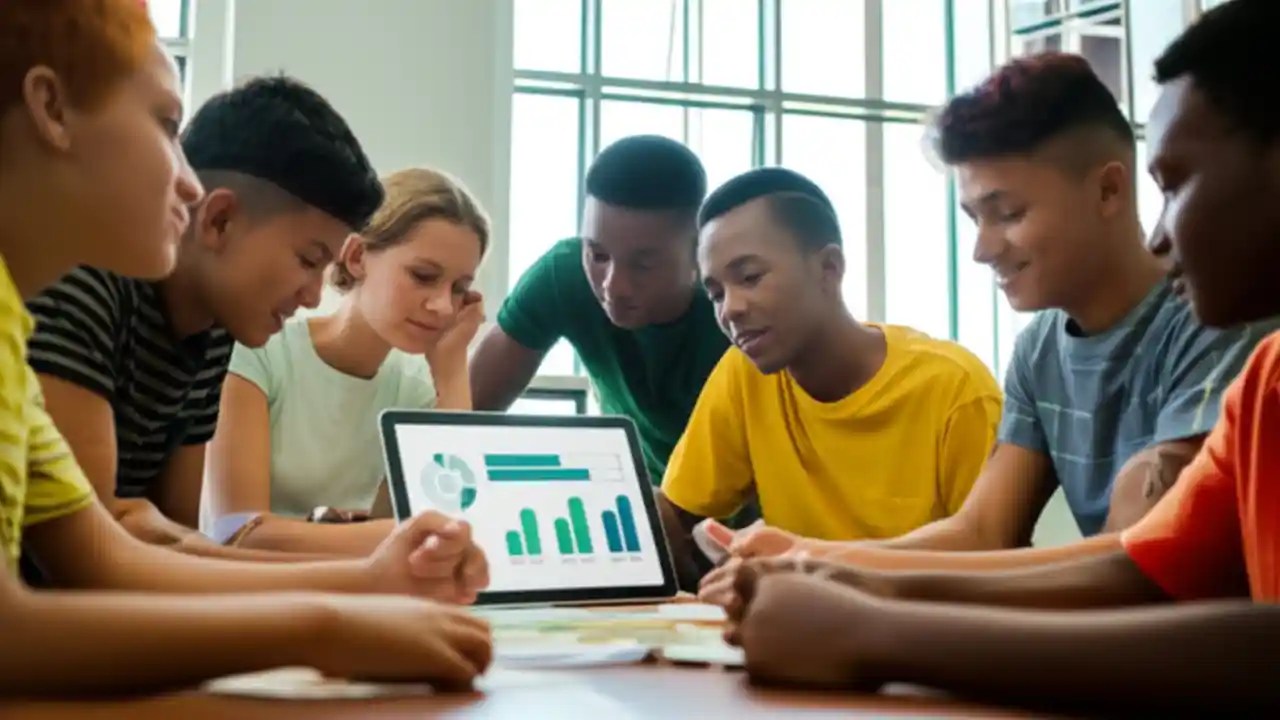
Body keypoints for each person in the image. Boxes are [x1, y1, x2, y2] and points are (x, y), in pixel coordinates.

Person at [725, 0, 1280, 712]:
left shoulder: (1228, 336)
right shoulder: (1261, 382)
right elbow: (1134, 564)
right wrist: (838, 575)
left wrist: (877, 625)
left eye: (1174, 187)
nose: (1162, 236)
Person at [0, 0, 489, 696]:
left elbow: (129, 544)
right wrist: (334, 621)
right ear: (51, 108)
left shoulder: (20, 322)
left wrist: (367, 583)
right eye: (167, 127)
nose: (189, 179)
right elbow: (64, 586)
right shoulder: (76, 292)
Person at [25, 66, 385, 555]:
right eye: (308, 261)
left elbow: (174, 539)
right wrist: (359, 580)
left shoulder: (215, 331)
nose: (314, 296)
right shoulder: (85, 284)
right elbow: (91, 557)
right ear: (219, 220)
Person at [658, 168, 1003, 589]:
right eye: (715, 293)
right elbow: (676, 510)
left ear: (829, 268)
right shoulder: (743, 373)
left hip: (929, 635)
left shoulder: (955, 389)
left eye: (750, 277)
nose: (730, 309)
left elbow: (993, 557)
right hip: (799, 631)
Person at [204, 168, 489, 554]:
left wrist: (453, 367)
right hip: (246, 595)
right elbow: (236, 533)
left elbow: (449, 525)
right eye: (423, 276)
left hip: (351, 593)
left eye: (459, 289)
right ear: (356, 257)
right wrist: (411, 534)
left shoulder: (416, 387)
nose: (442, 306)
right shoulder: (261, 349)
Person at [469, 135, 730, 484]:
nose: (613, 286)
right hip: (644, 502)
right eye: (598, 255)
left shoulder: (735, 310)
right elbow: (466, 414)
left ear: (699, 252)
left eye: (643, 264)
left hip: (749, 520)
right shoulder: (563, 277)